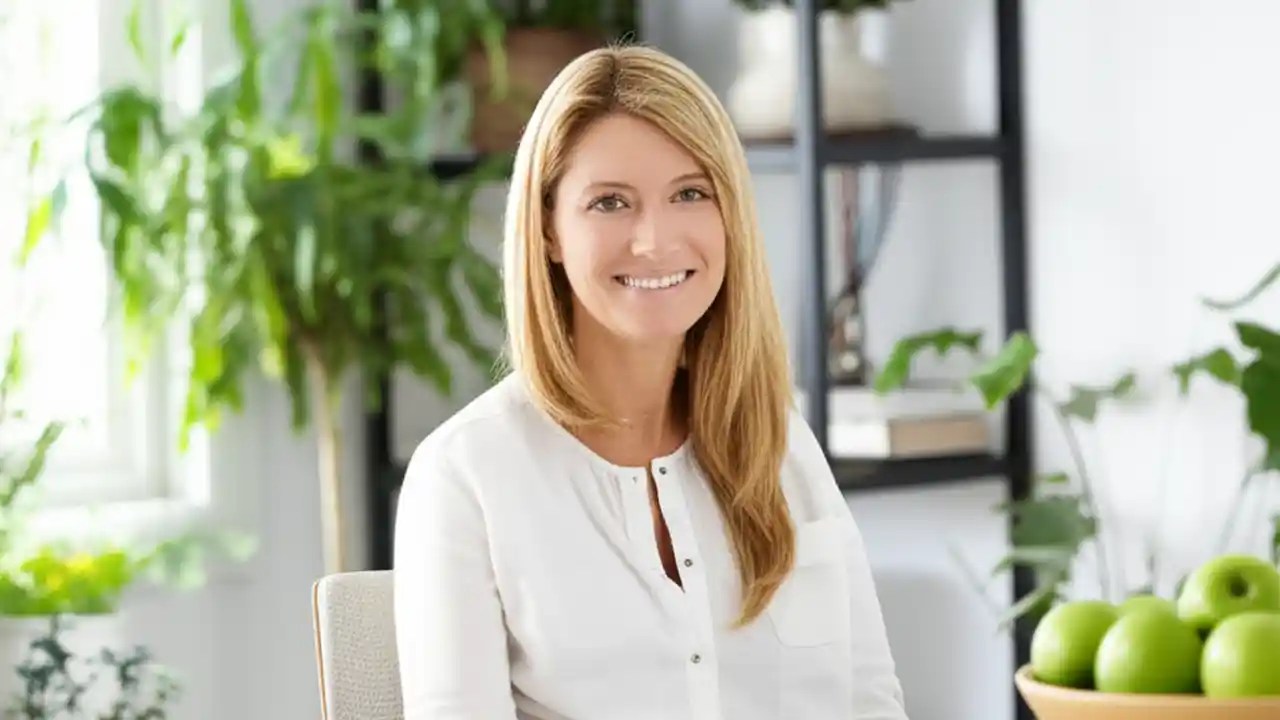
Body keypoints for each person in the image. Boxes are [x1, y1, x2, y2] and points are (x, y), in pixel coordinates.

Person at [392, 42, 909, 720]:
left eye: (690, 193)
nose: (654, 240)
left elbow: (869, 704)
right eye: (610, 203)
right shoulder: (466, 477)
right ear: (548, 228)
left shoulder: (782, 442)